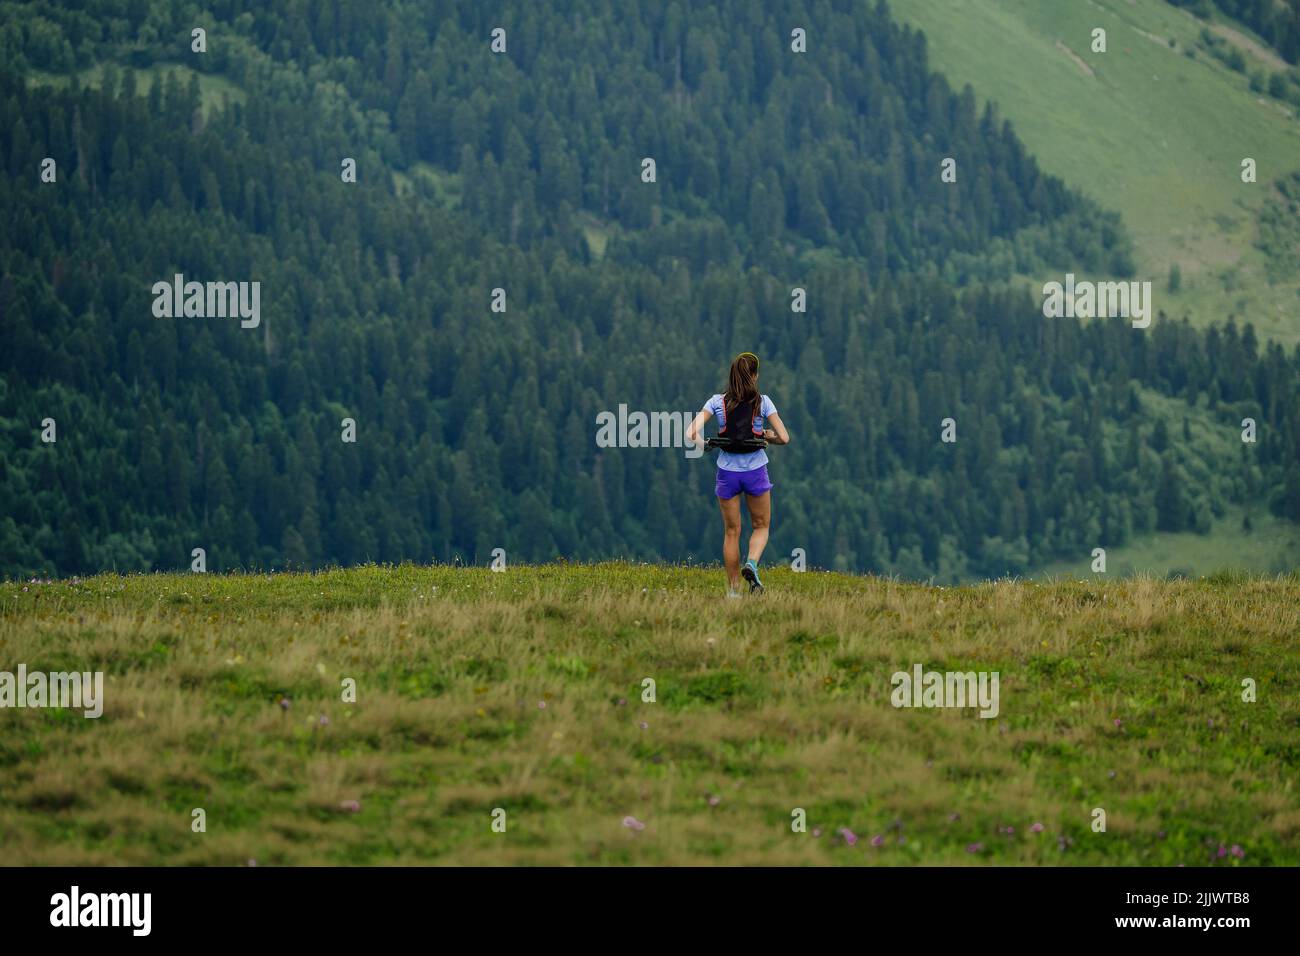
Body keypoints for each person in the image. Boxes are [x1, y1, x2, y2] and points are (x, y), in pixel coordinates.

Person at [686, 352, 790, 595]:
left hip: (727, 472)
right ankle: (751, 564)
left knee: (732, 532)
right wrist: (766, 436)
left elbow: (691, 432)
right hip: (755, 470)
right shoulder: (763, 402)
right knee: (761, 526)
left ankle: (733, 593)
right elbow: (784, 438)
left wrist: (706, 446)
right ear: (754, 376)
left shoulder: (716, 402)